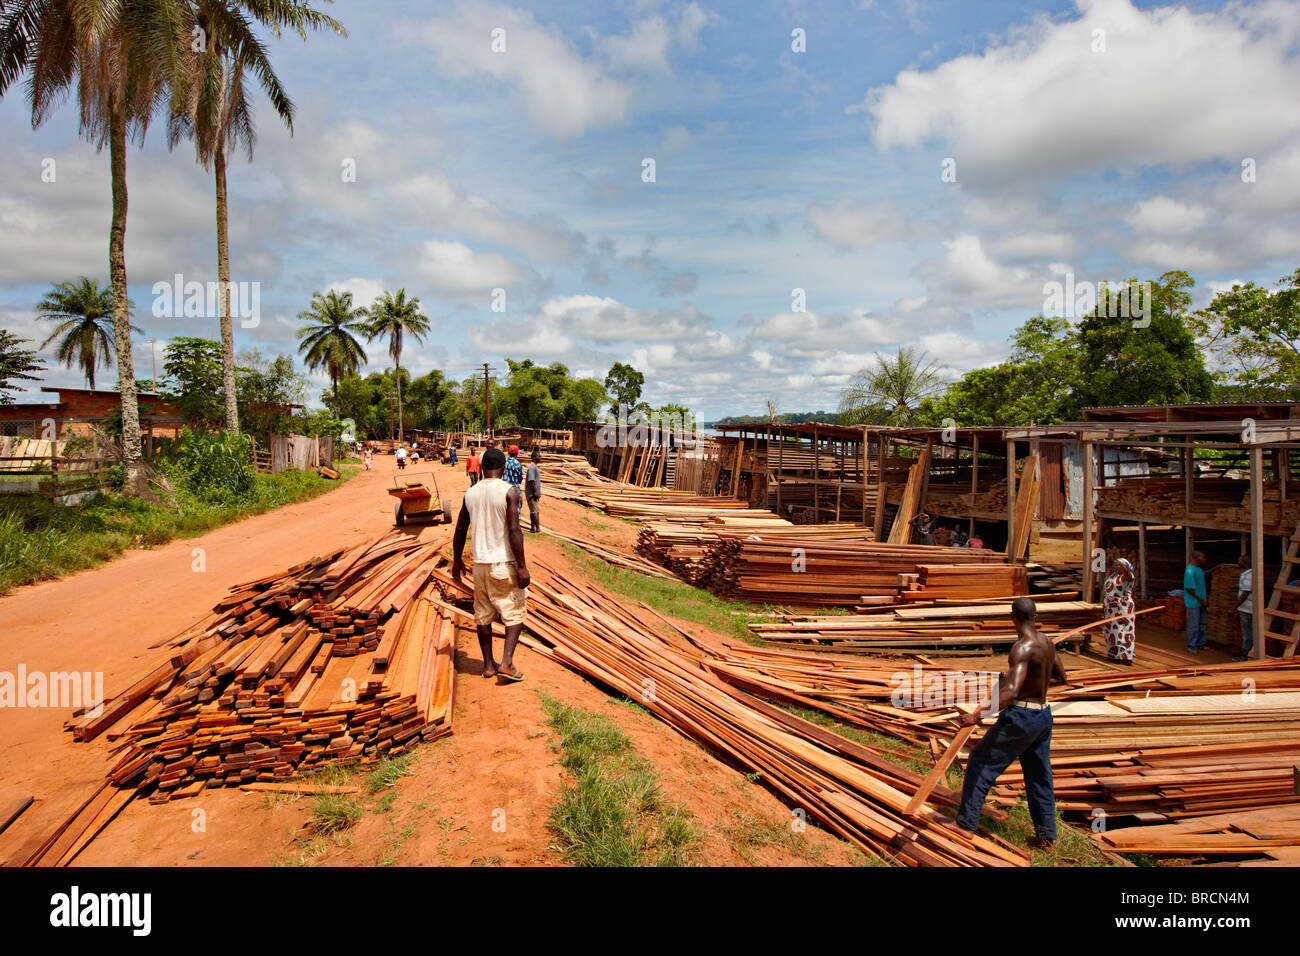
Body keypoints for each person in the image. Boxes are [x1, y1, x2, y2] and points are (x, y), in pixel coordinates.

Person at [953, 597, 1065, 848]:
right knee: (1039, 775)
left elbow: (1011, 691)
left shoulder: (1021, 648)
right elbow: (1061, 678)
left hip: (1021, 718)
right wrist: (1034, 687)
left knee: (980, 762)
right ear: (1035, 617)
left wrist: (976, 716)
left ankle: (965, 824)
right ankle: (1046, 835)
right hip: (1043, 716)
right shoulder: (1047, 643)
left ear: (1012, 617)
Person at [451, 448, 530, 683]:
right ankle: (506, 663)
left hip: (479, 565)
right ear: (504, 469)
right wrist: (522, 566)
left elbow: (460, 529)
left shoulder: (470, 493)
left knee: (483, 615)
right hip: (502, 563)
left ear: (482, 468)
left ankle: (487, 665)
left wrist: (456, 560)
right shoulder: (509, 491)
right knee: (514, 612)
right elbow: (514, 530)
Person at [1102, 558, 1137, 664]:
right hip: (1110, 609)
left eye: (1119, 566)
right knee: (1112, 632)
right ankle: (1114, 655)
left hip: (1123, 608)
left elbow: (1126, 573)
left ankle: (1126, 657)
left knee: (1123, 632)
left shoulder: (1128, 576)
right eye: (1116, 565)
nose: (1117, 567)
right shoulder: (1113, 576)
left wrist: (1121, 564)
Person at [1184, 551, 1209, 651]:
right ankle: (1191, 646)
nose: (1204, 559)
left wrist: (1217, 568)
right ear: (1197, 558)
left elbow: (1205, 574)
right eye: (1203, 557)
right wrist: (1200, 600)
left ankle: (1201, 644)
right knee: (1193, 625)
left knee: (1202, 624)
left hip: (1201, 601)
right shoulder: (1190, 571)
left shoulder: (1198, 570)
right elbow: (1189, 589)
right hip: (1193, 603)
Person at [1236, 554, 1254, 662]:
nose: (1238, 562)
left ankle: (1245, 656)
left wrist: (1234, 606)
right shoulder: (1245, 574)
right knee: (1247, 633)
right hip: (1244, 608)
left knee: (1248, 634)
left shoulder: (1249, 575)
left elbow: (1245, 593)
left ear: (1245, 562)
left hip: (1248, 609)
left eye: (1239, 560)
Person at [525, 449, 542, 534]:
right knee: (535, 510)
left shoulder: (534, 467)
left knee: (533, 510)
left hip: (533, 493)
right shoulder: (531, 467)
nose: (540, 457)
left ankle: (532, 528)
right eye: (539, 456)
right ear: (535, 458)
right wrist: (535, 492)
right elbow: (531, 480)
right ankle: (537, 528)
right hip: (532, 493)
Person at [504, 445, 524, 516]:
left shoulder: (504, 461)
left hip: (503, 487)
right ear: (517, 453)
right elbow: (520, 478)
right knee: (517, 505)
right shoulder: (518, 464)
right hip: (514, 488)